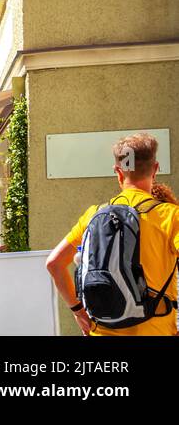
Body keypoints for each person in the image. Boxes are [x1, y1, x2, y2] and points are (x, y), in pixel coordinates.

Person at [46, 132, 179, 336]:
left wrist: (77, 311)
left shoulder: (94, 215)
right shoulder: (170, 216)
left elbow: (54, 263)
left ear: (118, 172)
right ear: (155, 170)